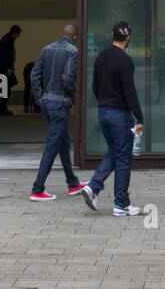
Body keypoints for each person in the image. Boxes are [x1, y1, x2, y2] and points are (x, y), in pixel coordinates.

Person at [81, 21, 144, 218]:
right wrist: (139, 117)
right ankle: (121, 204)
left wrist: (103, 103)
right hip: (120, 115)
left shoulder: (101, 57)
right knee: (124, 157)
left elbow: (95, 86)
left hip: (104, 112)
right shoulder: (125, 61)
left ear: (112, 35)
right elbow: (129, 91)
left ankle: (93, 187)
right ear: (128, 37)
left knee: (114, 152)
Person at [28, 23, 88, 202]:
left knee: (63, 142)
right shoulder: (72, 51)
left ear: (61, 34)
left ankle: (73, 183)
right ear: (75, 37)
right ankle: (37, 188)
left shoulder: (46, 49)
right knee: (52, 145)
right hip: (60, 104)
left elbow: (34, 75)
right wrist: (74, 92)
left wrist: (40, 98)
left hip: (46, 102)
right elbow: (68, 78)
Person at [0, 24, 22, 116]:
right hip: (4, 69)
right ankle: (2, 109)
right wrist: (8, 68)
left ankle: (3, 108)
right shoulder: (7, 41)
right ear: (15, 33)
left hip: (3, 68)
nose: (19, 36)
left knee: (4, 89)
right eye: (18, 34)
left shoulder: (8, 39)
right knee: (5, 89)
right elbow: (5, 56)